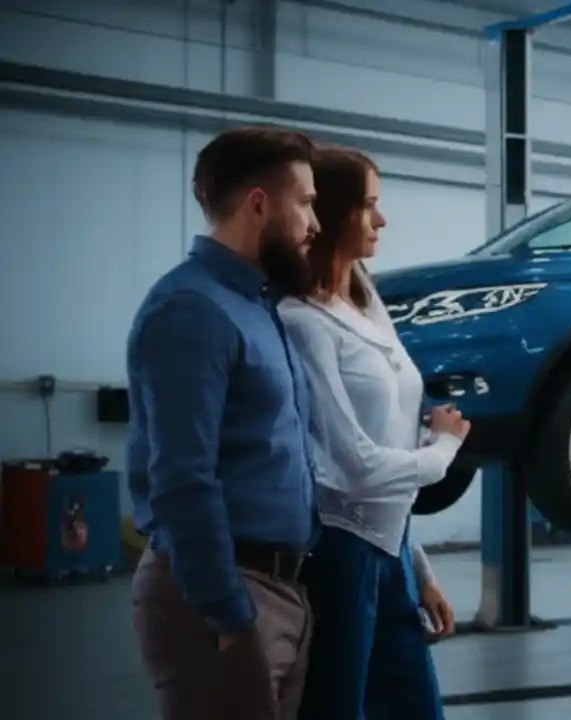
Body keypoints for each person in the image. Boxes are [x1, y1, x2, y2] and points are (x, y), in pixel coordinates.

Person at [127, 126, 322, 720]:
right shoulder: (193, 310)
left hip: (279, 589)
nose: (315, 224)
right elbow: (184, 477)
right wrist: (226, 610)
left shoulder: (256, 306)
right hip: (223, 592)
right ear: (259, 204)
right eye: (307, 203)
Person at [277, 145, 470, 720]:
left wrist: (419, 571)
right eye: (368, 205)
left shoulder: (364, 305)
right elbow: (356, 467)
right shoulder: (302, 323)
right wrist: (445, 450)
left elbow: (388, 445)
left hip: (390, 554)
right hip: (340, 556)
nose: (380, 220)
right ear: (333, 213)